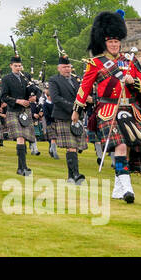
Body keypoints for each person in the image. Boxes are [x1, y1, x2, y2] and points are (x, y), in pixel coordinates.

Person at [74, 11, 141, 204]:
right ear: (104, 42)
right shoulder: (96, 63)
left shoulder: (130, 61)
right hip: (108, 110)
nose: (114, 45)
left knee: (126, 149)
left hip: (130, 110)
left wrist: (133, 81)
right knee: (121, 146)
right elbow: (84, 87)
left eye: (117, 42)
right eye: (111, 42)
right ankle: (127, 188)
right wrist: (77, 109)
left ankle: (118, 188)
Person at [47, 56, 86, 184]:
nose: (67, 69)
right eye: (64, 67)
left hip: (77, 117)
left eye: (68, 66)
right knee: (71, 146)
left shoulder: (76, 80)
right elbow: (56, 98)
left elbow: (81, 96)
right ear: (59, 68)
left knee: (74, 146)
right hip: (64, 116)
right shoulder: (54, 80)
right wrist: (74, 108)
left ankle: (71, 177)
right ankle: (75, 174)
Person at [0, 56, 38, 176]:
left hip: (25, 111)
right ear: (11, 66)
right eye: (15, 66)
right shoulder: (6, 79)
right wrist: (18, 101)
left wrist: (33, 97)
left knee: (25, 138)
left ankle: (22, 167)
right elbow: (4, 96)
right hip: (13, 111)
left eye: (19, 66)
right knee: (20, 137)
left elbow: (35, 90)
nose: (18, 68)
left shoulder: (25, 77)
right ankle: (22, 167)